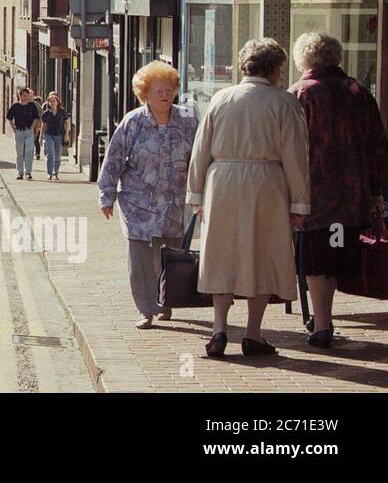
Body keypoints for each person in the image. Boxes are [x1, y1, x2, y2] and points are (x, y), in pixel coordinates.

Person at [189, 38, 311, 358]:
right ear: (274, 69)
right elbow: (296, 157)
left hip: (223, 181)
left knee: (221, 254)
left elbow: (200, 150)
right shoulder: (284, 103)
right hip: (267, 183)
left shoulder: (221, 98)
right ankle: (253, 334)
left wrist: (196, 193)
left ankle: (218, 330)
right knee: (263, 256)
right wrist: (300, 203)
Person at [289, 31, 388, 348]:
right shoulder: (359, 92)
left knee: (318, 263)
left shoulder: (301, 94)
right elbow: (377, 148)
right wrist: (376, 193)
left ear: (303, 58)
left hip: (314, 197)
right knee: (336, 256)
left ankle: (322, 324)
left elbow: (290, 149)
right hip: (352, 196)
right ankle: (323, 320)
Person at [98, 62, 198, 329]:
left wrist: (200, 193)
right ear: (145, 94)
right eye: (158, 91)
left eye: (168, 90)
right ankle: (146, 309)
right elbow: (114, 159)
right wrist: (106, 195)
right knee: (141, 259)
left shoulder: (188, 120)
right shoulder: (134, 122)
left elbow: (199, 159)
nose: (165, 95)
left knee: (169, 256)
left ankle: (166, 302)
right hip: (137, 203)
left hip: (174, 203)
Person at [6, 88, 41, 180]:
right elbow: (9, 117)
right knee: (20, 153)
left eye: (27, 96)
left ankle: (28, 172)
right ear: (20, 96)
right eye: (24, 96)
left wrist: (32, 127)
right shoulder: (15, 106)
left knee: (29, 152)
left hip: (29, 132)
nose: (26, 98)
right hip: (19, 132)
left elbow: (36, 118)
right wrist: (13, 128)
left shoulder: (32, 106)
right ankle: (20, 172)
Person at [40, 92, 70, 181]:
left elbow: (67, 123)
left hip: (59, 135)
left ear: (57, 102)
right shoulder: (46, 113)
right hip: (48, 135)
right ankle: (49, 173)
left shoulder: (62, 112)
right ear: (48, 103)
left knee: (57, 156)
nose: (53, 103)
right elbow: (43, 125)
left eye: (54, 101)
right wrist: (41, 137)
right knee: (50, 154)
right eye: (51, 101)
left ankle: (55, 173)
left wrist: (66, 135)